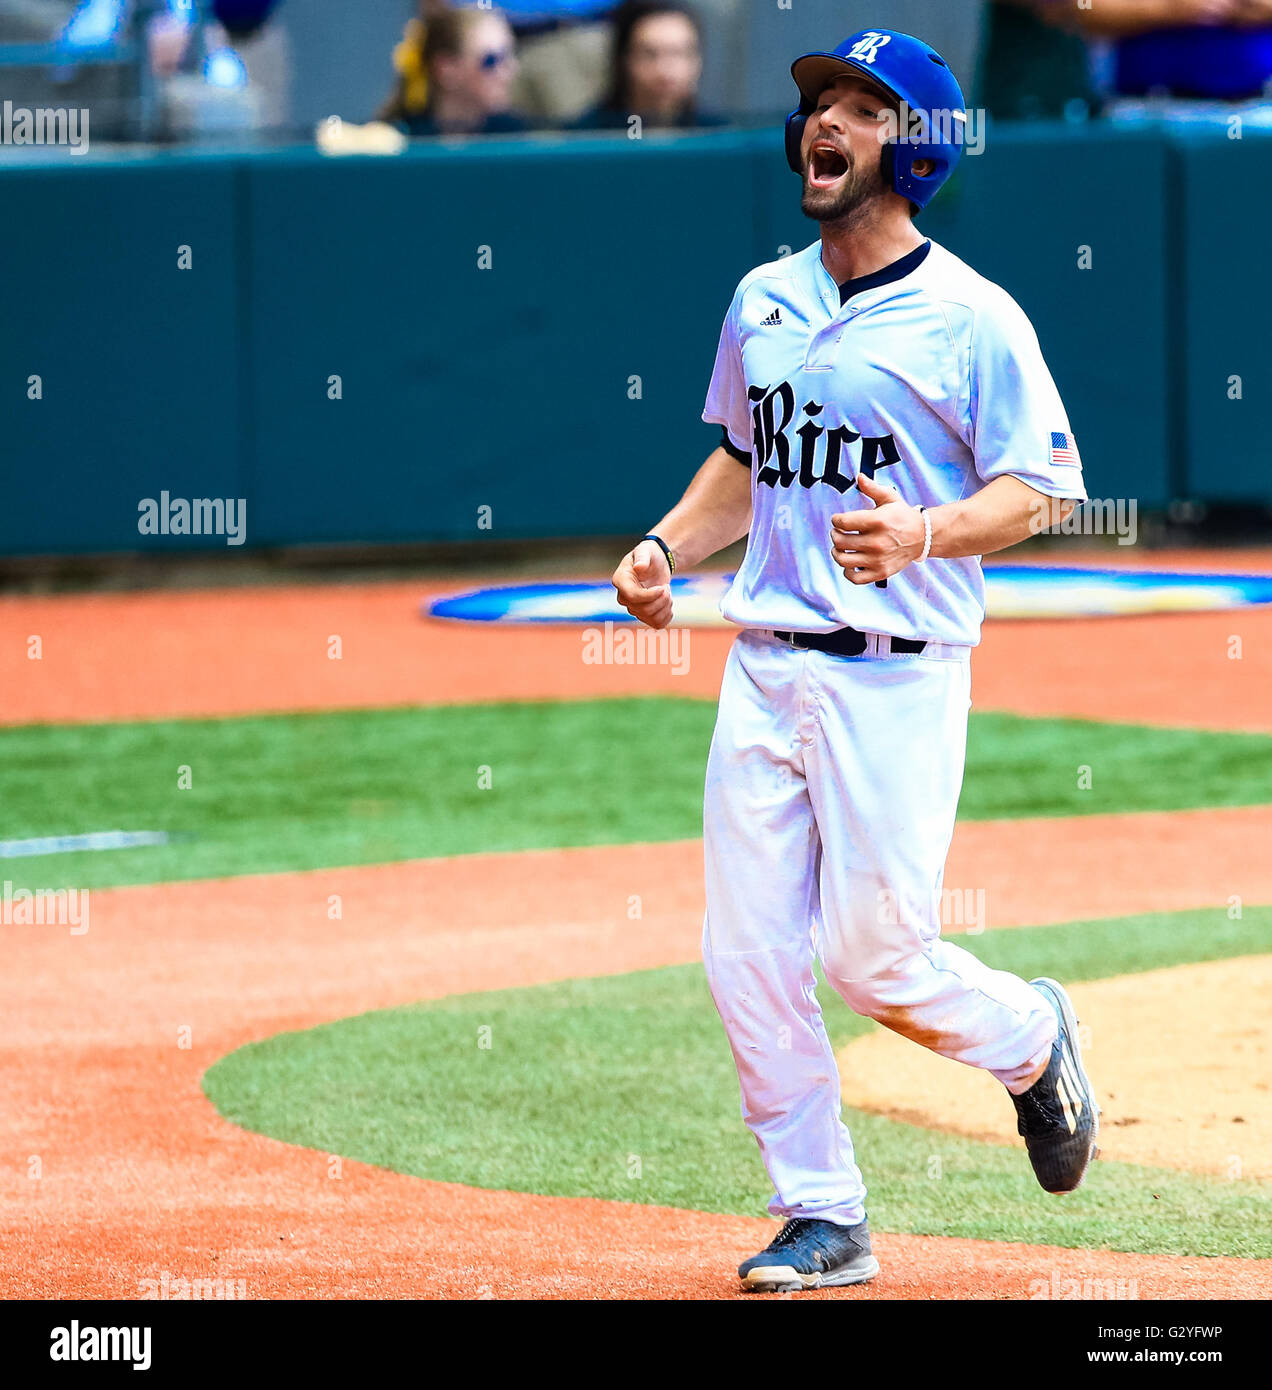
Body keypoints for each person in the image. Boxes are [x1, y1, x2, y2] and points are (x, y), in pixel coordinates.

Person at [611, 27, 1098, 1293]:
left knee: (876, 958)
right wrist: (668, 544)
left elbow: (1042, 486)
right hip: (765, 662)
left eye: (861, 107)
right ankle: (820, 1210)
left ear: (919, 146)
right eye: (819, 100)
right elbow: (743, 459)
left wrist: (927, 530)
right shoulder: (763, 297)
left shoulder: (972, 316)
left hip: (899, 670)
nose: (826, 121)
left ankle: (1032, 1036)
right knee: (747, 954)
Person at [377, 4, 527, 138]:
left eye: (509, 56)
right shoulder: (396, 141)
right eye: (491, 61)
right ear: (446, 70)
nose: (510, 70)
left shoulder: (516, 135)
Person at [571, 0, 724, 130]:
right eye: (649, 54)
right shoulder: (582, 137)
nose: (664, 71)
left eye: (678, 53)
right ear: (623, 60)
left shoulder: (719, 136)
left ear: (697, 60)